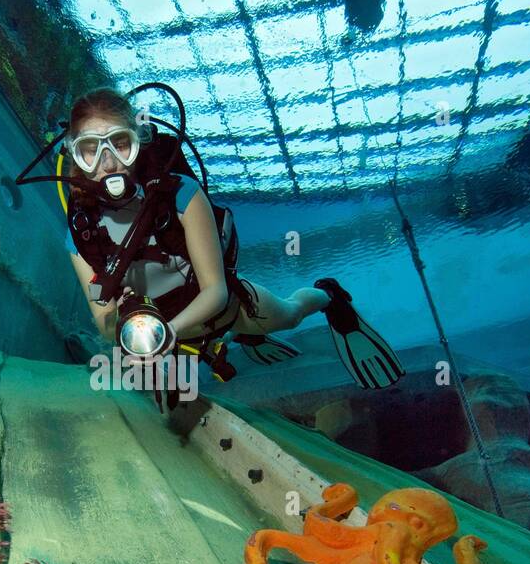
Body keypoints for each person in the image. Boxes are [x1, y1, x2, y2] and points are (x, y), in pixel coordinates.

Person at [64, 87, 331, 363]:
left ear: (138, 142)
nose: (108, 164)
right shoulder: (80, 233)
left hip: (227, 313)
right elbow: (104, 324)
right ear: (76, 157)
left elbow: (216, 291)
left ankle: (329, 295)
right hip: (163, 337)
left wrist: (170, 332)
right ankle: (235, 339)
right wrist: (118, 320)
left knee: (292, 315)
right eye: (91, 151)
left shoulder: (181, 194)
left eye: (120, 145)